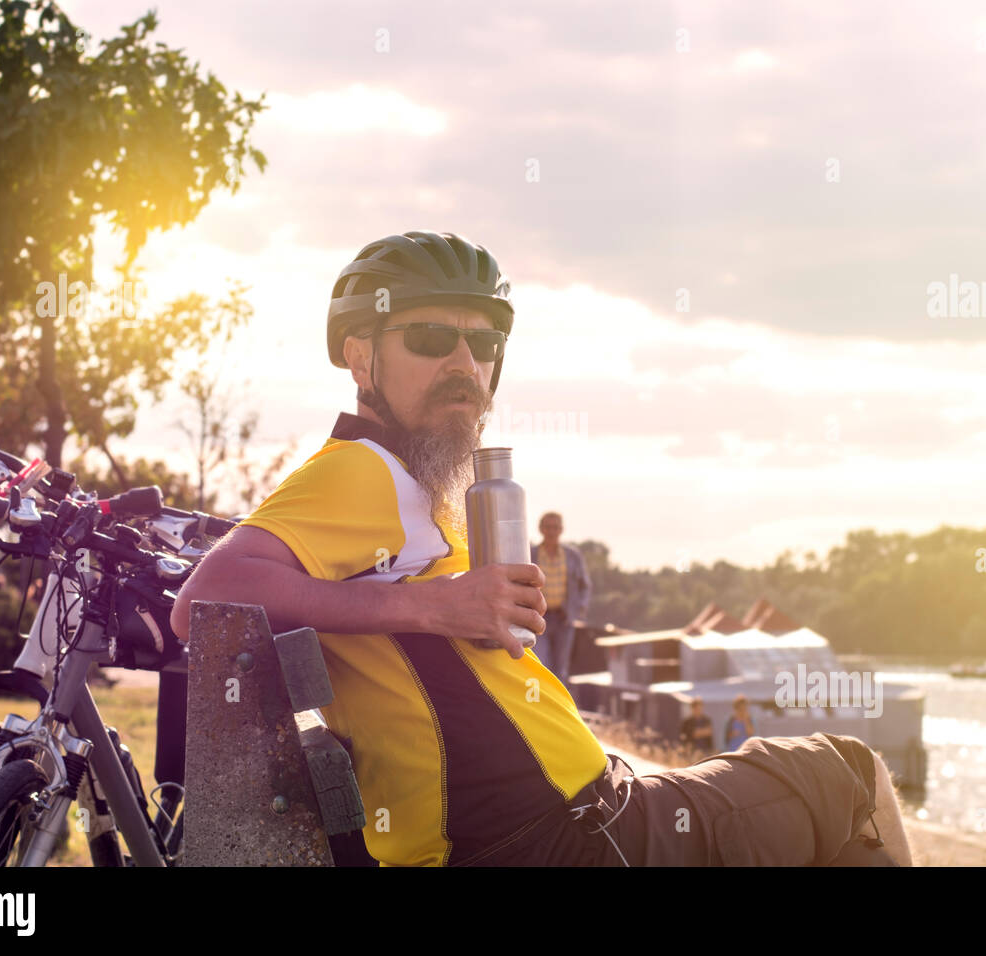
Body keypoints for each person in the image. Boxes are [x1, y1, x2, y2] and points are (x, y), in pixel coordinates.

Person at [171, 229, 912, 868]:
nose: (465, 362)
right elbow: (204, 599)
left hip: (549, 824)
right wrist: (432, 605)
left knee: (778, 780)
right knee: (852, 776)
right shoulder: (364, 469)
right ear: (361, 358)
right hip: (568, 835)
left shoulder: (409, 483)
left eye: (483, 342)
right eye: (431, 339)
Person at [530, 512, 591, 690]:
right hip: (538, 617)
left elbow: (584, 585)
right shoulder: (531, 554)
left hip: (564, 618)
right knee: (541, 663)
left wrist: (580, 609)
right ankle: (540, 705)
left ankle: (559, 709)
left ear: (561, 530)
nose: (551, 531)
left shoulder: (572, 555)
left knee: (561, 668)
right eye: (548, 527)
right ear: (541, 529)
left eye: (555, 527)